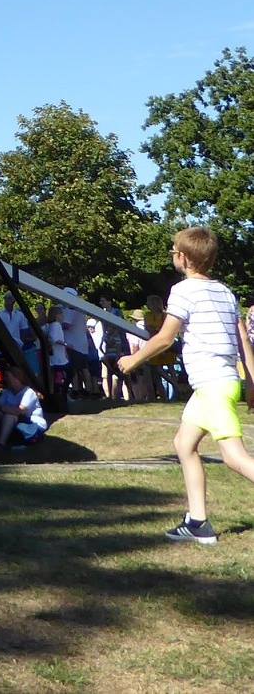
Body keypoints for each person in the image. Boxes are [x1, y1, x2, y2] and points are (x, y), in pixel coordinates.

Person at [119, 227, 254, 545]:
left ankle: (198, 522)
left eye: (173, 252)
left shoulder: (182, 292)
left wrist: (132, 361)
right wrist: (251, 382)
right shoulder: (225, 291)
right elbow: (243, 340)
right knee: (184, 444)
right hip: (217, 385)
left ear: (182, 258)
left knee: (235, 458)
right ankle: (197, 523)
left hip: (212, 385)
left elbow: (165, 337)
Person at [0, 364, 49, 448]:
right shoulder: (7, 392)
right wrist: (0, 410)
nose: (5, 379)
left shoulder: (28, 392)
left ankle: (0, 443)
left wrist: (3, 408)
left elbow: (20, 411)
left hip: (32, 423)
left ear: (16, 378)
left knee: (10, 415)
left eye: (8, 376)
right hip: (17, 423)